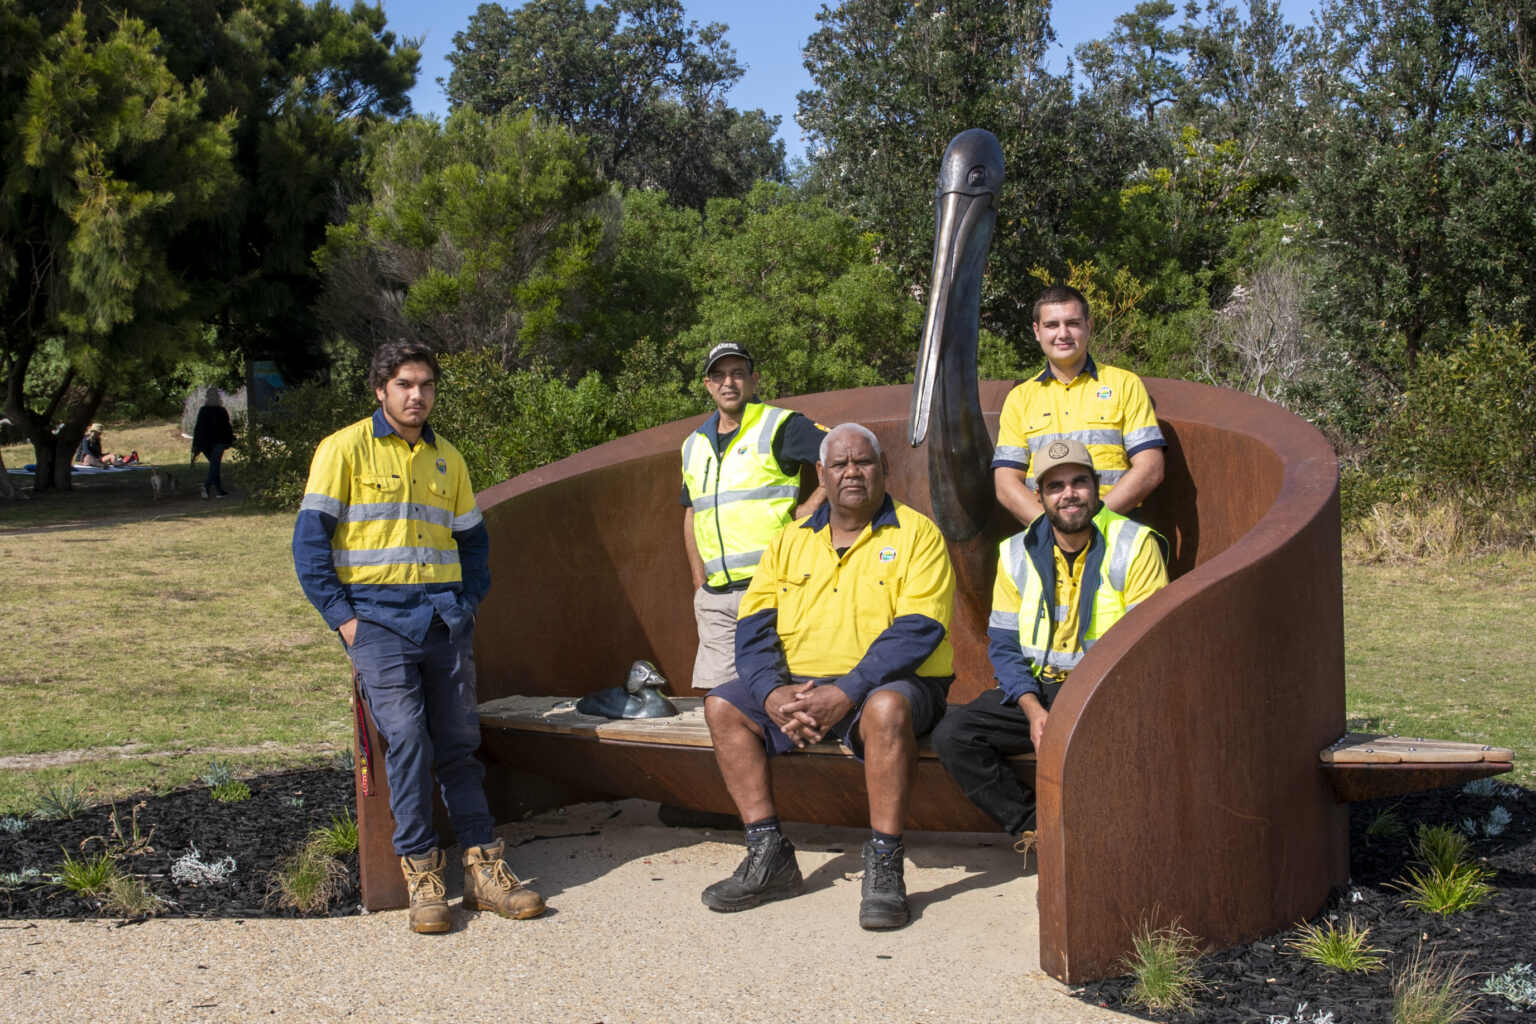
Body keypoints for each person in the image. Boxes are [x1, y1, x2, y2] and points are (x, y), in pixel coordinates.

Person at [292, 340, 544, 933]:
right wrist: (344, 619)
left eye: (426, 384)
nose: (417, 395)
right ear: (380, 389)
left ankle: (483, 869)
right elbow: (308, 546)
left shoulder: (447, 459)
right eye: (405, 384)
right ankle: (422, 873)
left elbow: (473, 542)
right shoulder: (343, 449)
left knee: (459, 740)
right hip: (376, 621)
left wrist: (468, 603)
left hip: (443, 620)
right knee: (406, 738)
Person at [700, 423, 955, 930]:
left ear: (883, 467)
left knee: (885, 708)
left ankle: (884, 862)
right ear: (821, 474)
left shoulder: (917, 533)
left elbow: (918, 631)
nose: (852, 472)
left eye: (863, 462)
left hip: (892, 686)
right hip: (802, 685)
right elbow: (752, 630)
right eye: (839, 464)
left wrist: (846, 692)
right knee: (722, 705)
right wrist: (772, 693)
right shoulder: (788, 541)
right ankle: (768, 852)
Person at [931, 438, 1168, 852]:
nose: (1069, 494)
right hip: (1041, 691)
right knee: (954, 734)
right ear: (1039, 496)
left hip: (1108, 694)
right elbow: (1003, 645)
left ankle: (1113, 845)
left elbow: (1147, 650)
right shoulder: (1015, 553)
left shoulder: (1134, 545)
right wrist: (1032, 708)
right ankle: (1039, 833)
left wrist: (1079, 708)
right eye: (1055, 486)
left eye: (1079, 482)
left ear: (1096, 487)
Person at [681, 341, 826, 689]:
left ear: (754, 379)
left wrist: (813, 503)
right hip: (716, 601)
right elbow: (692, 515)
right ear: (708, 385)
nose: (728, 383)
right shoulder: (694, 444)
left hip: (771, 589)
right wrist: (699, 584)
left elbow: (846, 452)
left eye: (737, 374)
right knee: (720, 701)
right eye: (718, 376)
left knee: (776, 694)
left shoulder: (780, 425)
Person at [992, 285, 1166, 528]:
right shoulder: (1020, 398)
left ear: (1088, 325)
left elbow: (1150, 468)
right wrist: (1052, 530)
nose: (1063, 333)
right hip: (1047, 540)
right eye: (1052, 325)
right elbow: (1005, 483)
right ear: (1037, 331)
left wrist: (1093, 522)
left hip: (1114, 530)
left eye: (1072, 323)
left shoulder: (1125, 384)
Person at [190, 391, 236, 498]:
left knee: (214, 465)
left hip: (205, 444)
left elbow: (198, 429)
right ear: (219, 397)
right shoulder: (221, 411)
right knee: (215, 465)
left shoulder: (203, 410)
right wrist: (232, 440)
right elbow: (227, 428)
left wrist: (196, 445)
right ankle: (206, 487)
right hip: (218, 442)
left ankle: (220, 490)